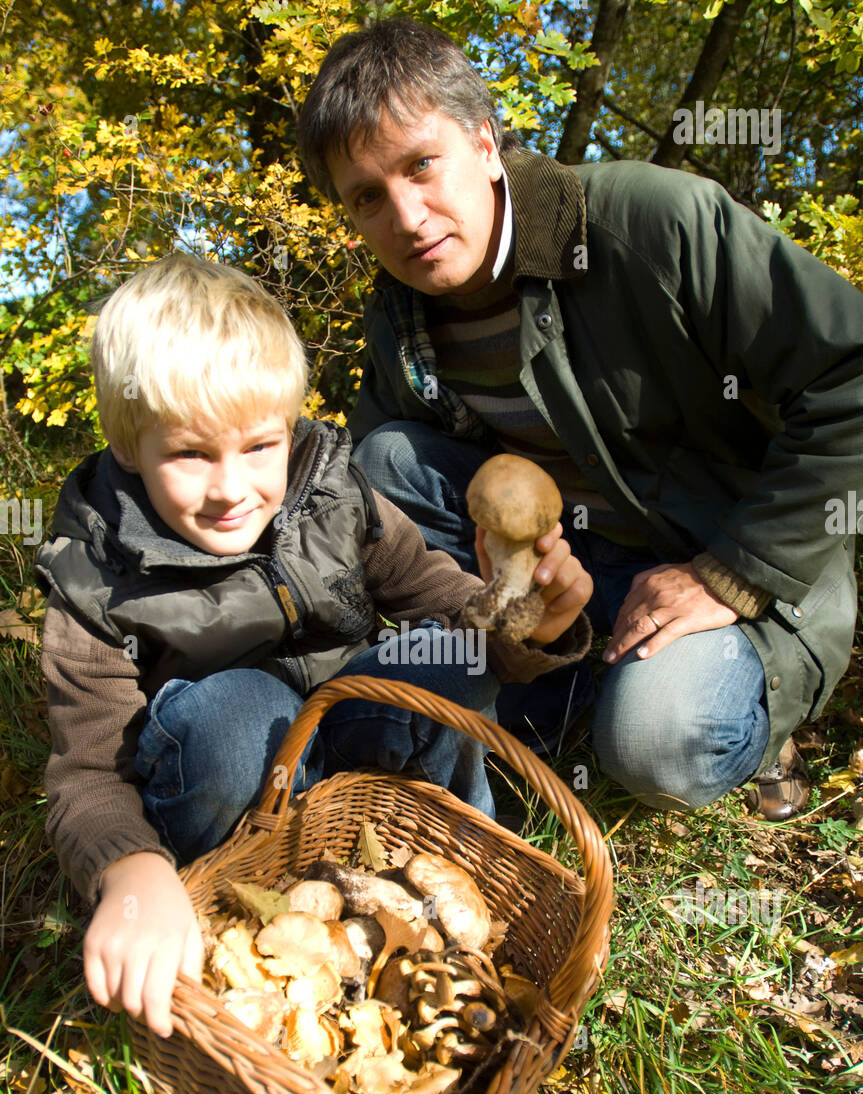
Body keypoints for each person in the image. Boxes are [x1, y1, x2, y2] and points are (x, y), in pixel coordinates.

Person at [297, 16, 863, 821]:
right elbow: (363, 513)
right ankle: (557, 675)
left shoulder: (649, 224)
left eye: (422, 166)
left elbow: (851, 373)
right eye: (368, 198)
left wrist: (735, 572)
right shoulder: (399, 319)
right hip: (573, 577)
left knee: (655, 743)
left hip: (734, 550)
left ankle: (734, 713)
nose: (408, 217)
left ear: (485, 145)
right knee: (382, 461)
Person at [35, 253, 592, 1037]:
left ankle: (455, 879)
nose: (233, 489)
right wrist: (130, 871)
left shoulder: (334, 495)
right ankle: (246, 900)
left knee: (443, 656)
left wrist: (522, 626)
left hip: (350, 728)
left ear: (290, 427)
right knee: (241, 709)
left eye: (259, 446)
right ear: (129, 446)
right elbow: (85, 776)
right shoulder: (98, 576)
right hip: (230, 779)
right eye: (191, 454)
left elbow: (443, 601)